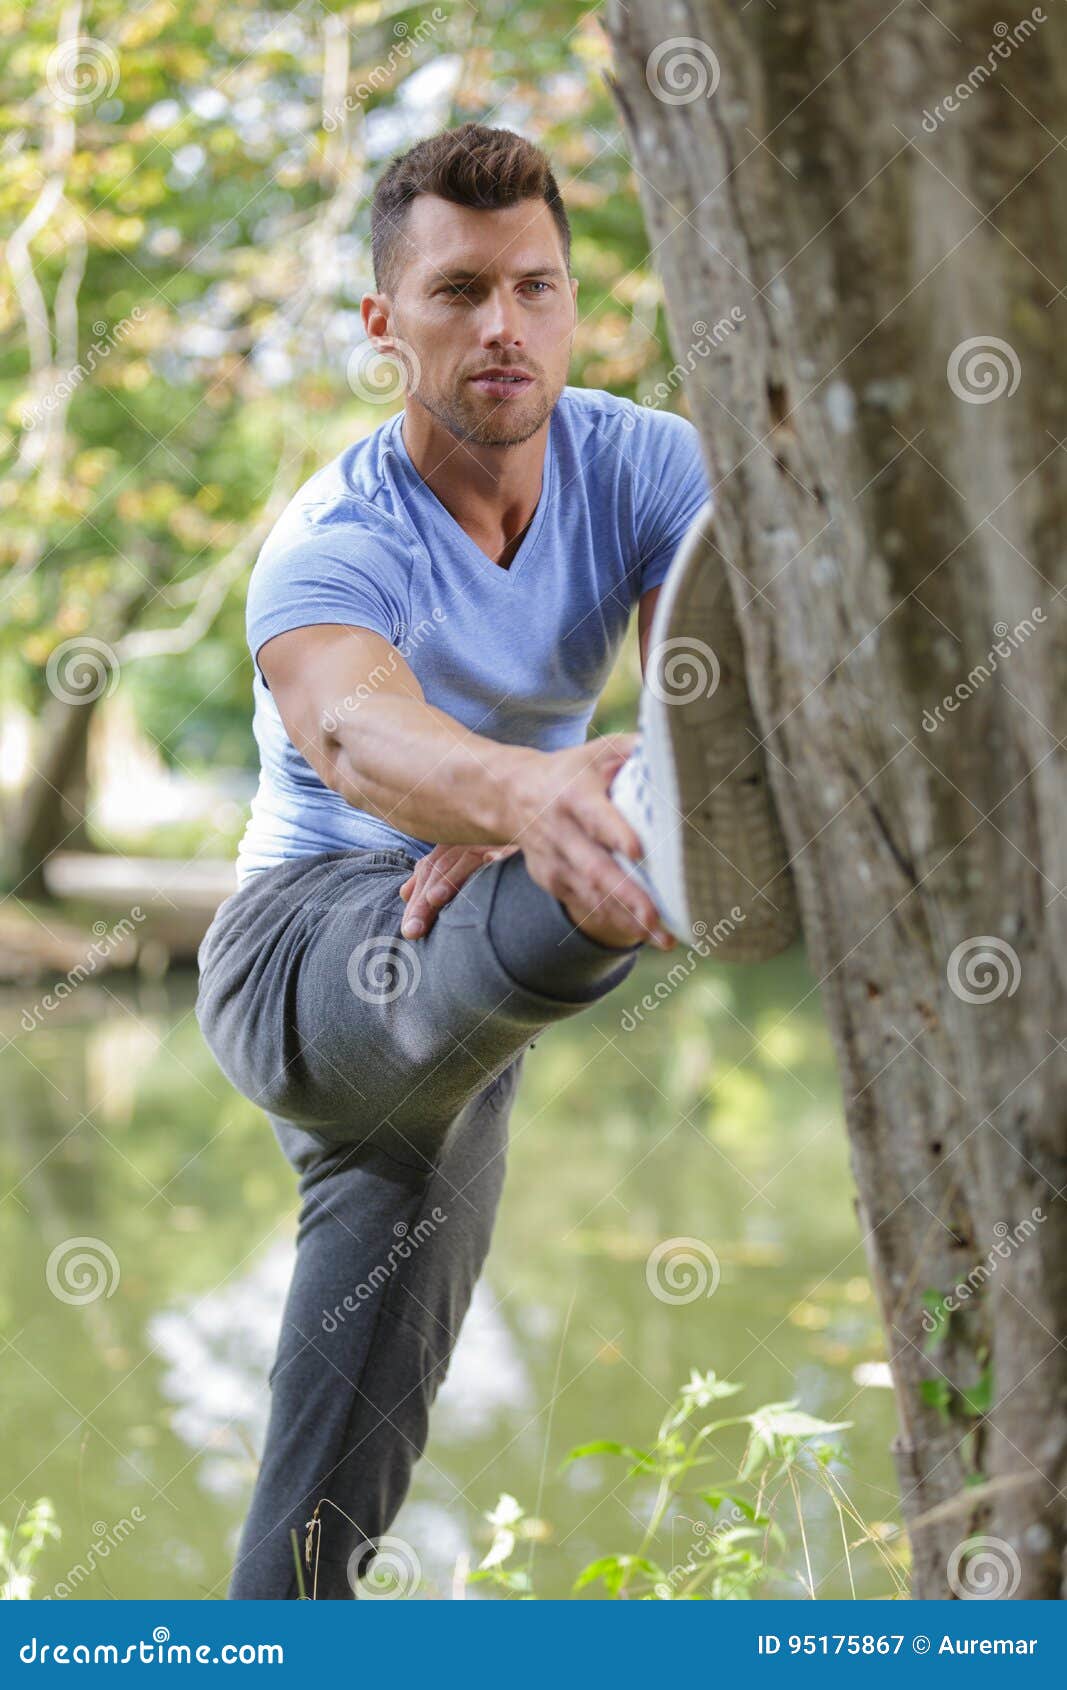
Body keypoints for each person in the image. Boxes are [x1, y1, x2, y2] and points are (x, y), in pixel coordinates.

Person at [195, 120, 797, 1600]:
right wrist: (522, 793)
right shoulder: (333, 534)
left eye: (535, 286)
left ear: (575, 305)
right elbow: (354, 732)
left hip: (466, 1025)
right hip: (310, 962)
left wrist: (576, 795)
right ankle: (607, 860)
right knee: (616, 833)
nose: (503, 327)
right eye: (460, 291)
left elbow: (703, 710)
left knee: (327, 1520)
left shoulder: (648, 466)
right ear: (383, 324)